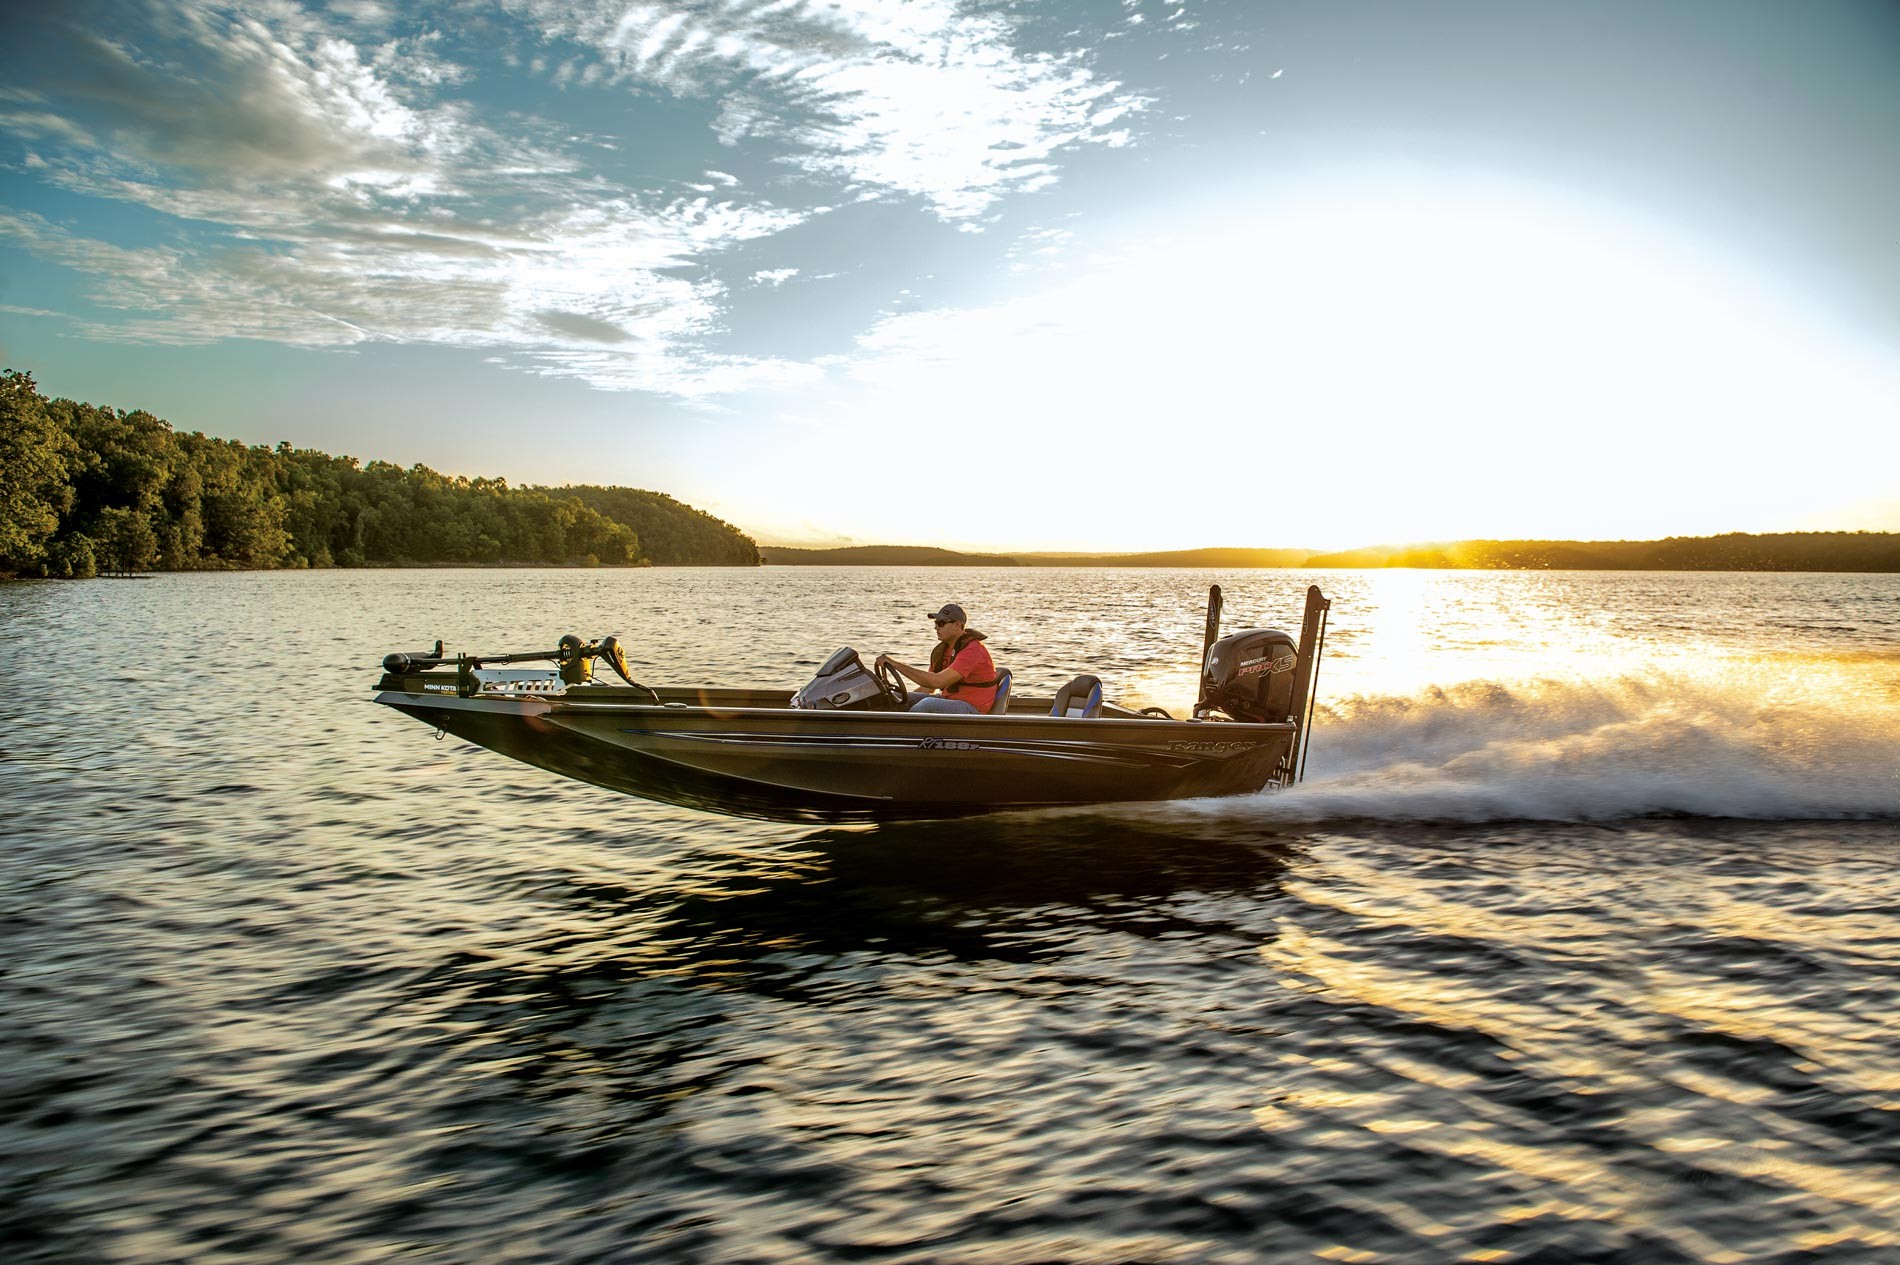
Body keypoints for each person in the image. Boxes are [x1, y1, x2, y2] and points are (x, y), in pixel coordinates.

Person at [875, 603, 1001, 714]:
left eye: (941, 623)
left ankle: (902, 735)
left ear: (957, 625)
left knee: (928, 704)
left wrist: (895, 664)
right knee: (893, 697)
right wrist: (904, 699)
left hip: (973, 709)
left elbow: (937, 682)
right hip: (949, 700)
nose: (936, 627)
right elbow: (928, 688)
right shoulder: (941, 651)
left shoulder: (973, 650)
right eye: (936, 623)